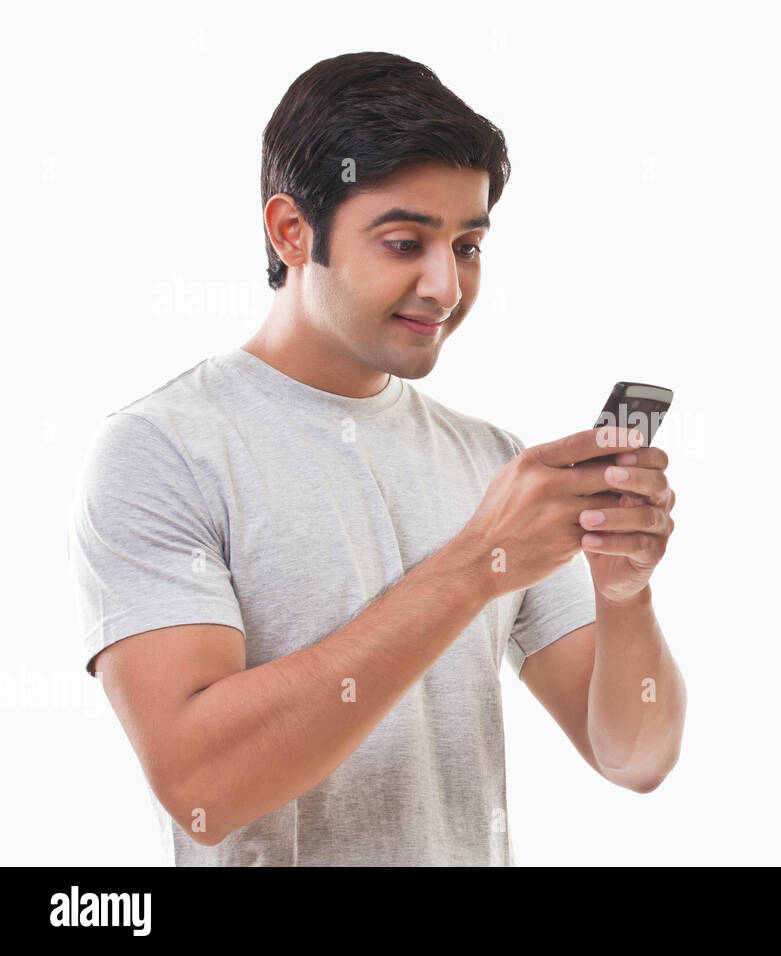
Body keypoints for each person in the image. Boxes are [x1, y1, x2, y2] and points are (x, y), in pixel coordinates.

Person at [67, 51, 685, 866]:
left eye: (467, 245)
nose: (444, 286)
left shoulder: (489, 459)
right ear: (292, 232)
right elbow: (203, 790)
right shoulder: (163, 450)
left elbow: (633, 759)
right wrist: (474, 566)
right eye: (404, 242)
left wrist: (624, 591)